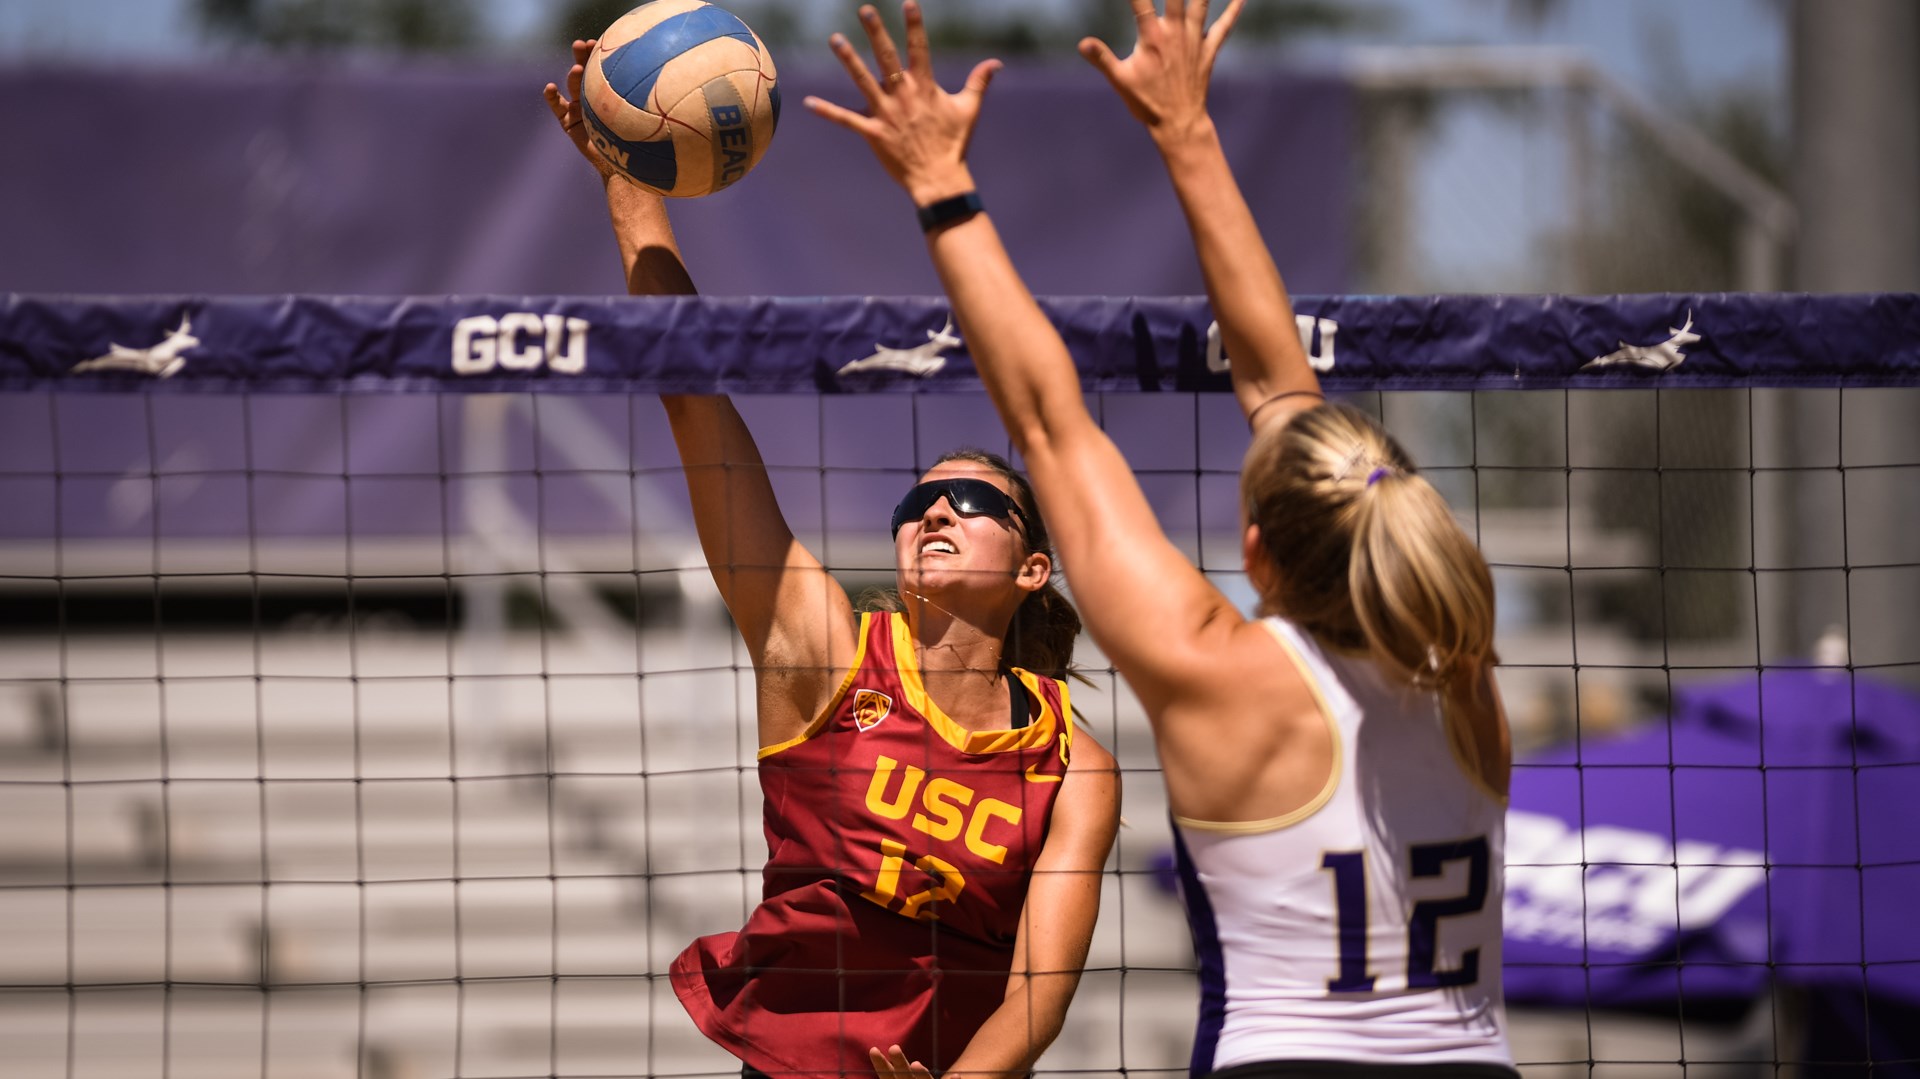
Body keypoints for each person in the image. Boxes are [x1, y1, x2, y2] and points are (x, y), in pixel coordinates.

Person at [809, 2, 1515, 1077]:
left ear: (1257, 549)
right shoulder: (1465, 670)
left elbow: (1050, 417)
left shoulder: (1215, 671)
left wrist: (941, 181)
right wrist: (1188, 129)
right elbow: (1287, 394)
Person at [543, 41, 1122, 1079]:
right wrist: (630, 182)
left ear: (1034, 567)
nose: (936, 507)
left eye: (975, 500)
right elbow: (691, 393)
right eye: (917, 500)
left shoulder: (1071, 761)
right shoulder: (827, 651)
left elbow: (1040, 990)